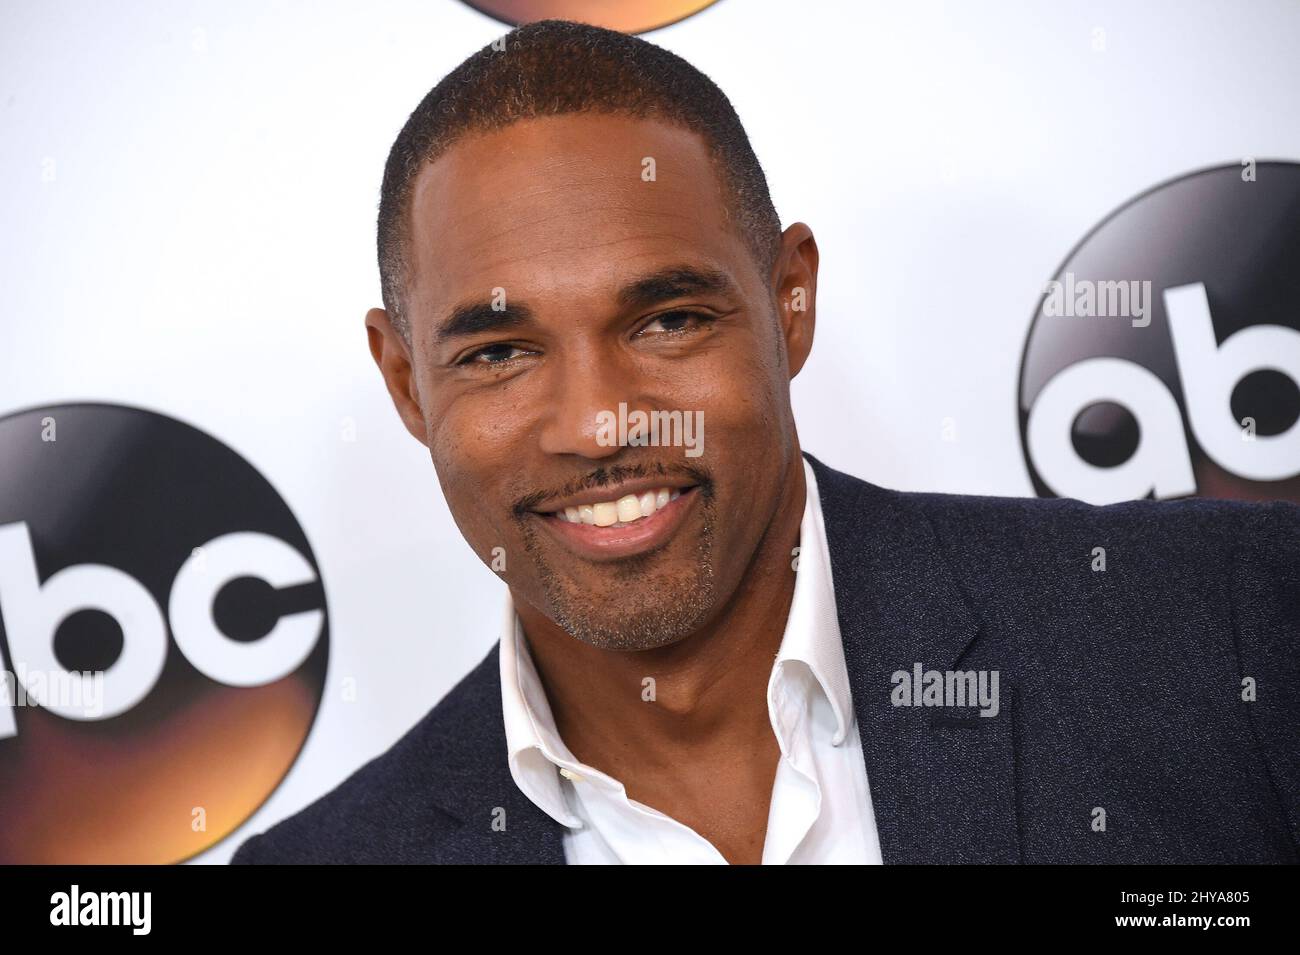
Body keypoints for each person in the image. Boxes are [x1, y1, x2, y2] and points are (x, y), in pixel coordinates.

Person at [231, 19, 1299, 865]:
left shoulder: (1222, 630)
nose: (598, 424)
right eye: (501, 352)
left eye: (666, 321)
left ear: (790, 302)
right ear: (406, 383)